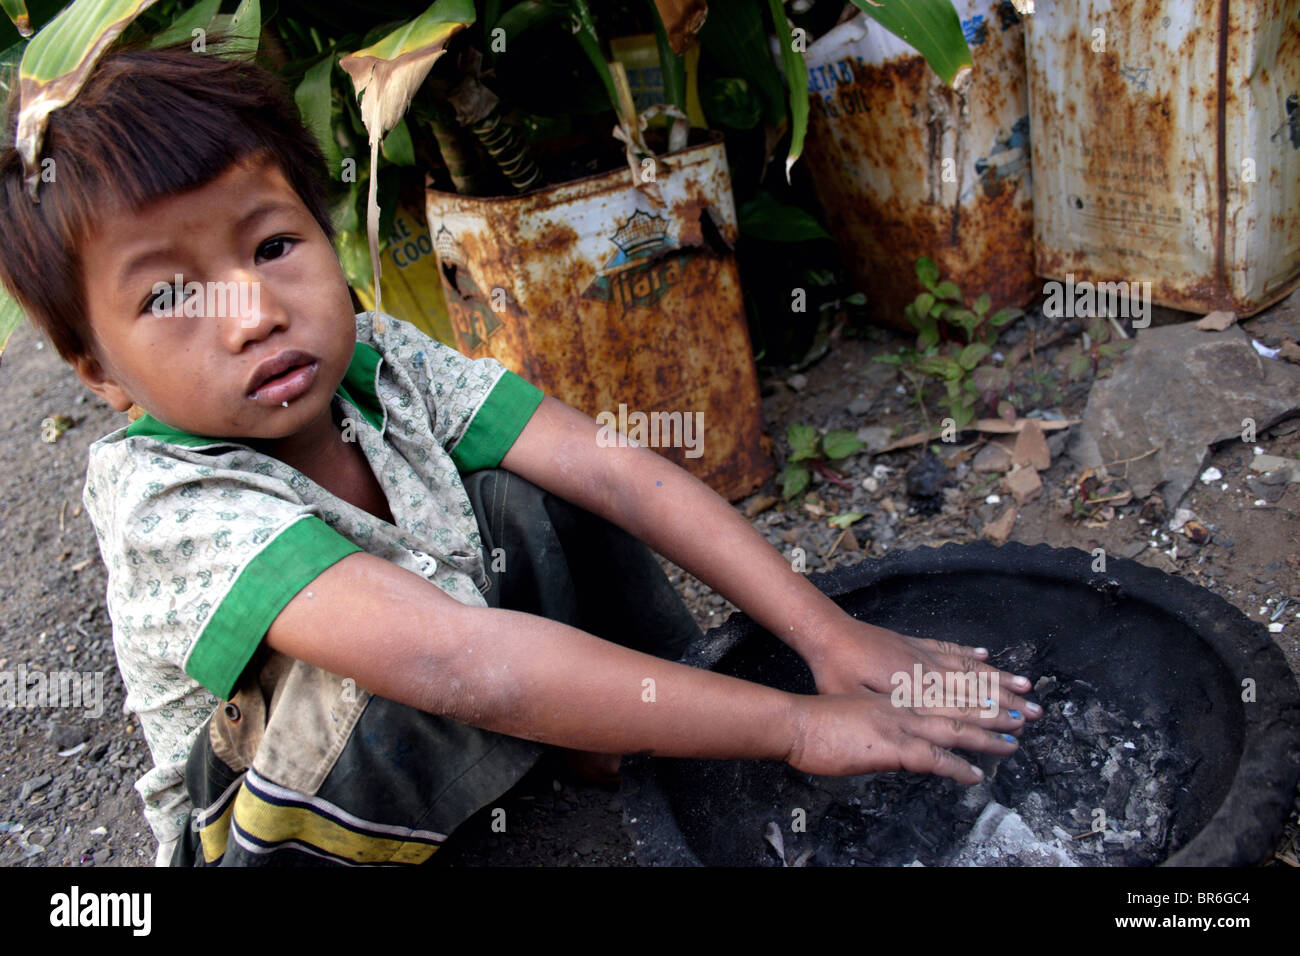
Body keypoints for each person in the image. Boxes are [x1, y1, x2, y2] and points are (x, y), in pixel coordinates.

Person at [0, 37, 1040, 867]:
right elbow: (457, 660)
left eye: (274, 246)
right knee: (377, 663)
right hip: (278, 822)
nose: (255, 316)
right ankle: (642, 731)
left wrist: (827, 634)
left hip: (464, 667)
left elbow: (608, 466)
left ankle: (633, 721)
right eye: (172, 296)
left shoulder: (374, 355)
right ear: (96, 366)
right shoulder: (163, 503)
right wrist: (798, 729)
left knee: (531, 477)